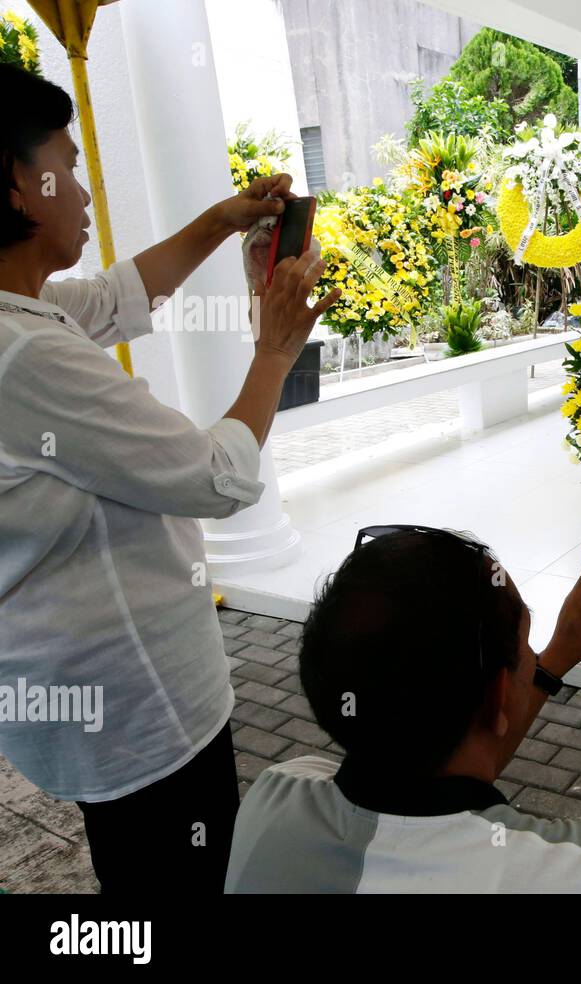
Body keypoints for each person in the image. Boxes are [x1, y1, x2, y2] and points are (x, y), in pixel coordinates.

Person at [0, 64, 339, 893]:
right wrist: (275, 350)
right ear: (15, 183)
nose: (81, 191)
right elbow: (216, 477)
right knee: (173, 876)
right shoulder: (26, 356)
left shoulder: (25, 317)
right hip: (139, 713)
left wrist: (222, 223)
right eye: (68, 166)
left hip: (82, 696)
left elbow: (118, 296)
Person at [224, 528, 581, 893]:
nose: (530, 657)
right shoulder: (576, 873)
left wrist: (552, 658)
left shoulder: (276, 794)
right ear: (495, 697)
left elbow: (445, 766)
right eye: (524, 644)